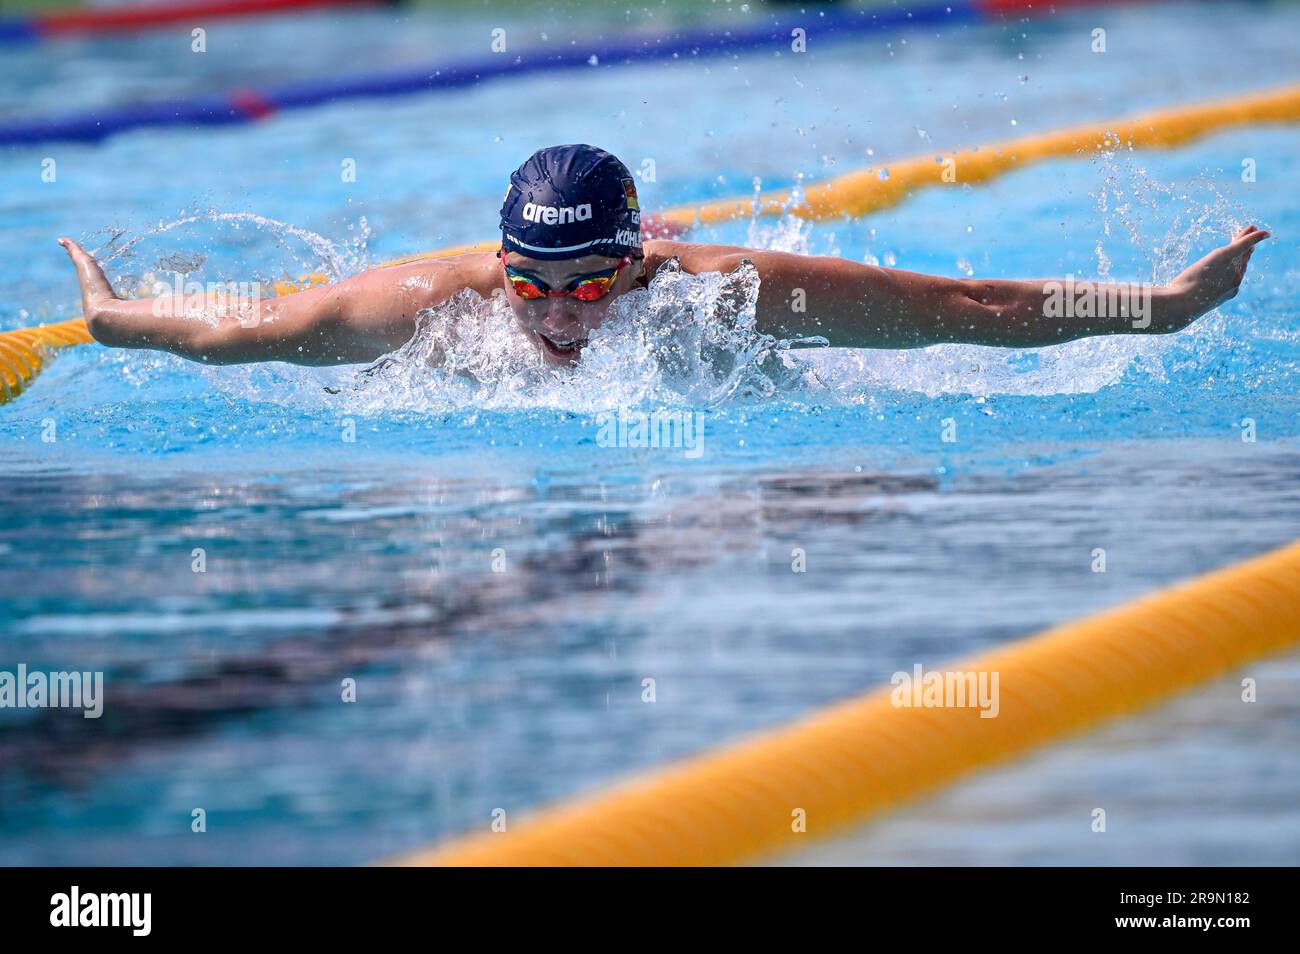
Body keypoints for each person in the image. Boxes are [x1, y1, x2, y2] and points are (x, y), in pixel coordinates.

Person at [60, 144, 1268, 370]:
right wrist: (113, 318)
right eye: (532, 286)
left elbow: (966, 304)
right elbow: (244, 333)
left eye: (590, 286)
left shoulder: (722, 298)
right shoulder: (428, 310)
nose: (558, 317)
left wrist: (1162, 306)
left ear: (634, 270)